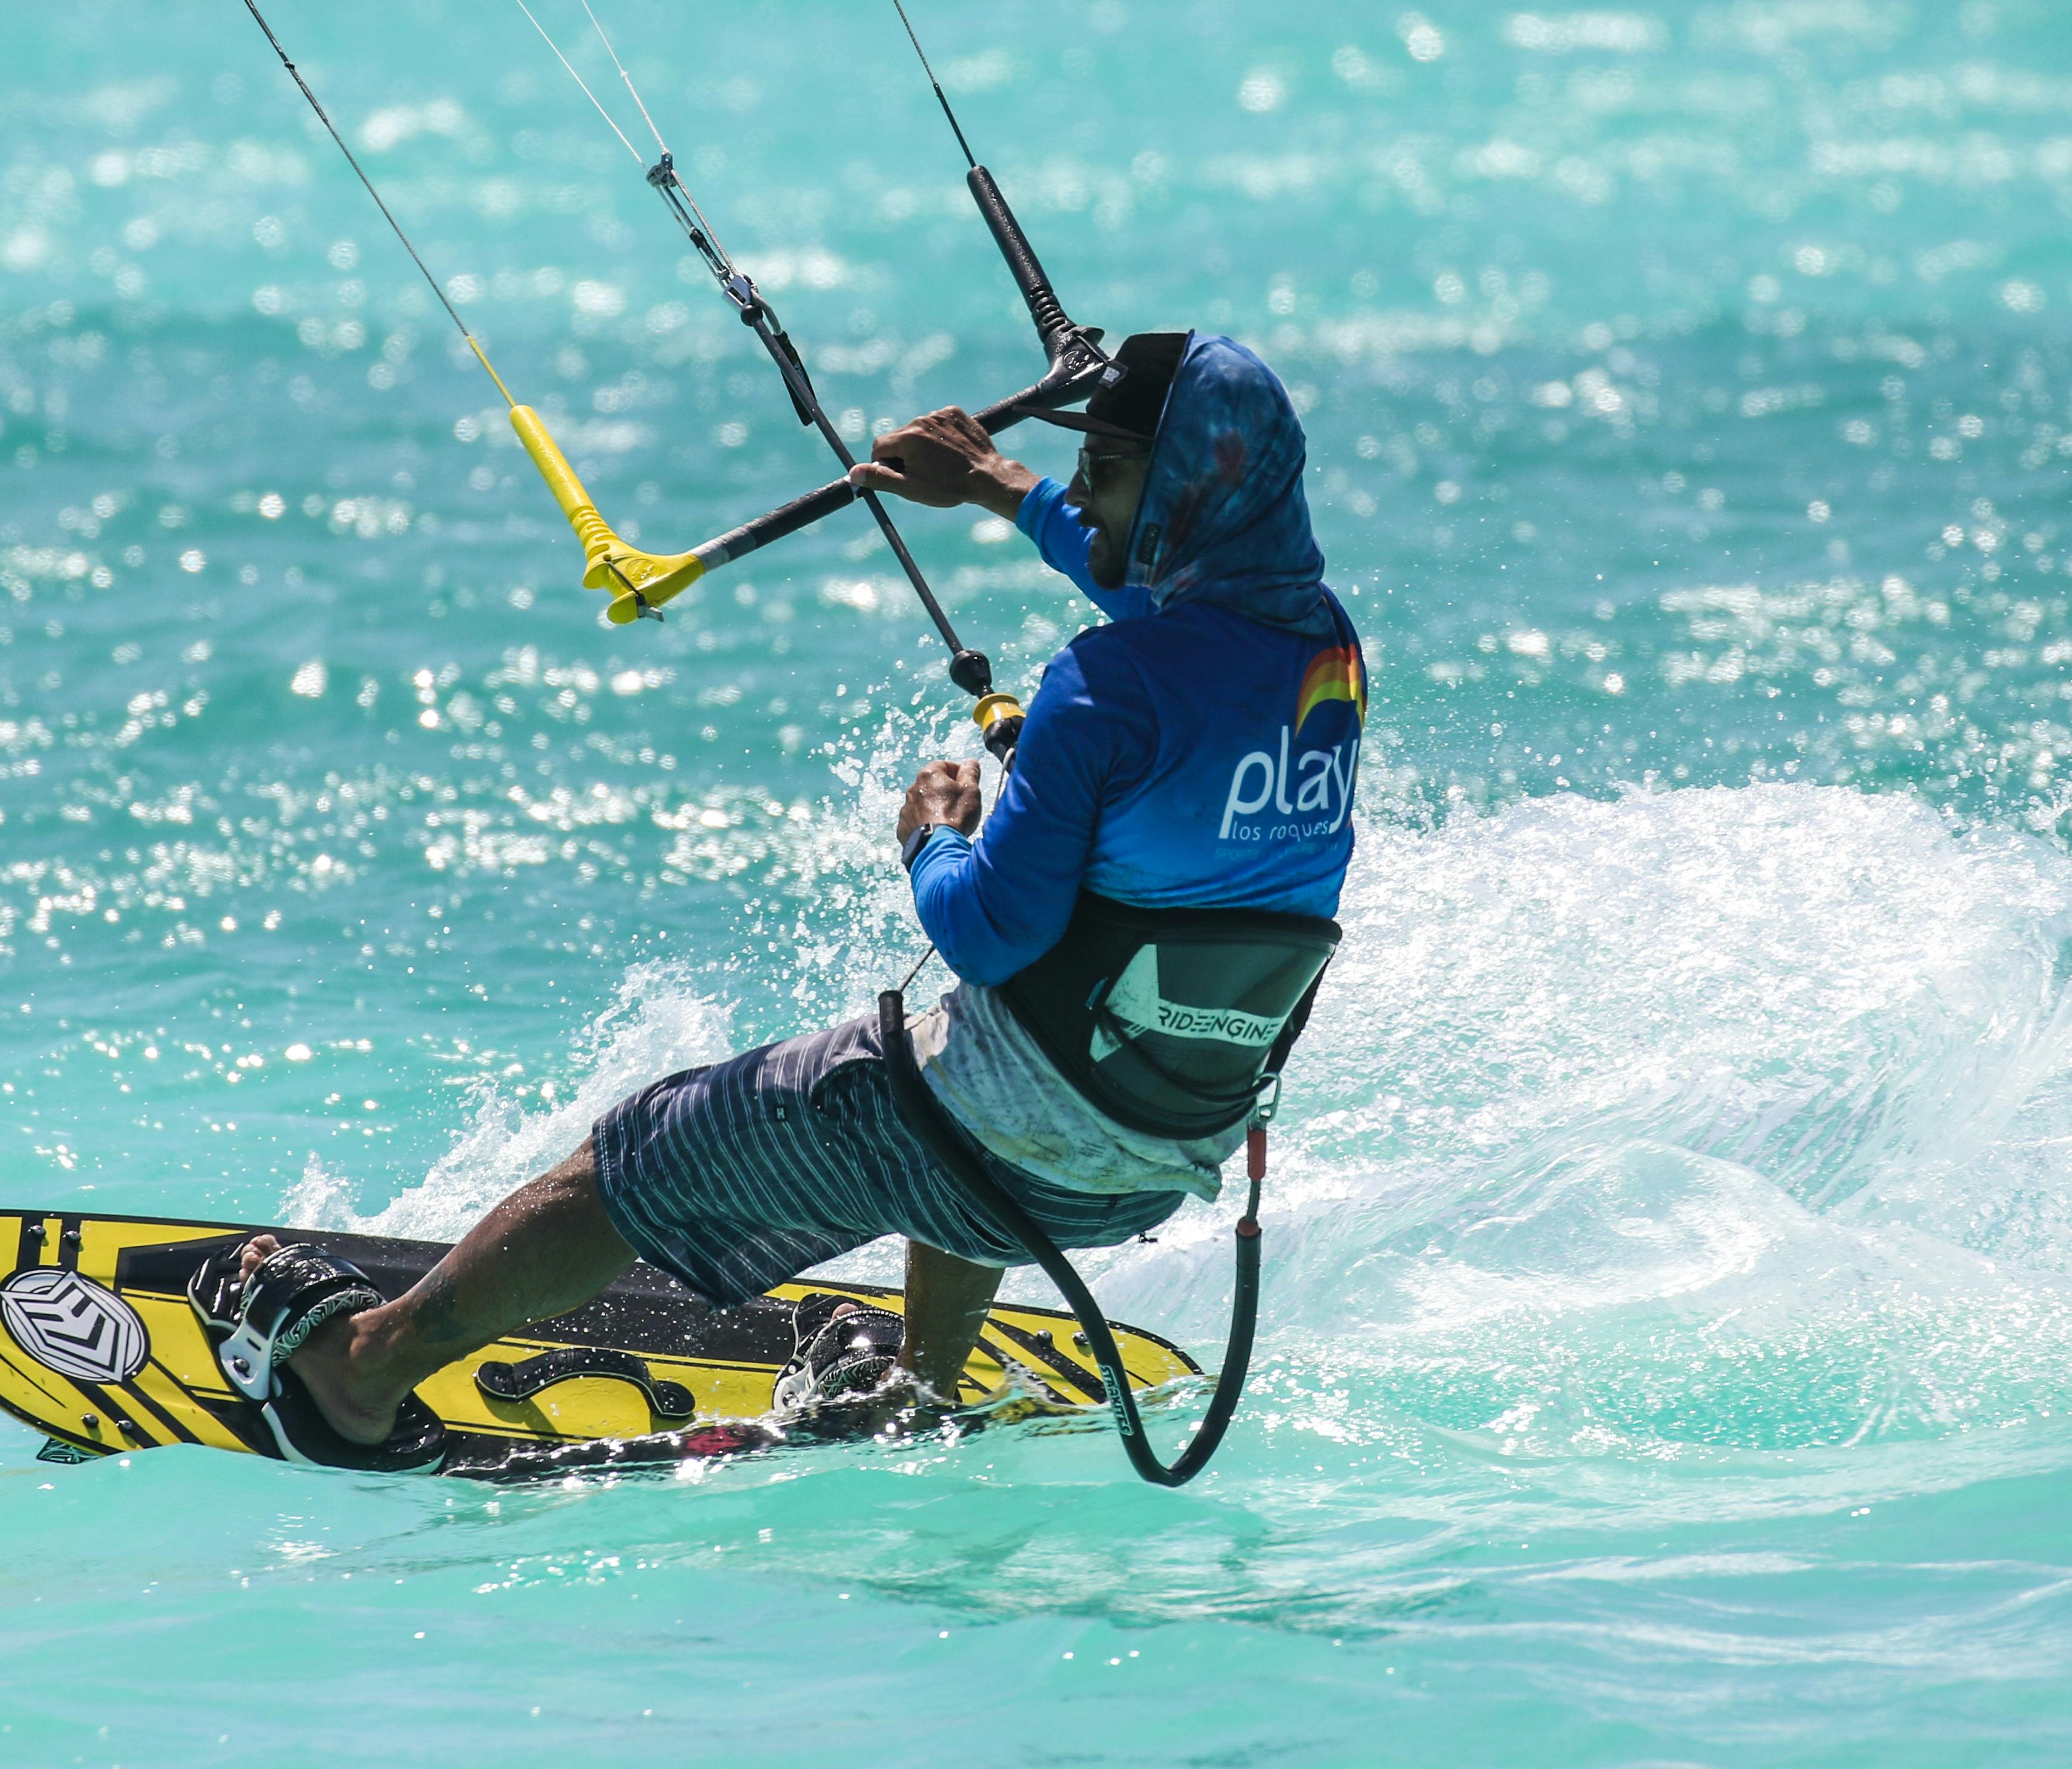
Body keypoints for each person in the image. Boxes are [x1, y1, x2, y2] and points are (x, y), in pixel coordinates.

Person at [193, 331, 1369, 1468]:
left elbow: (990, 932)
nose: (1080, 491)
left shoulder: (1105, 689)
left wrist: (935, 843)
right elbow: (1174, 623)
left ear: (1179, 497)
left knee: (646, 1152)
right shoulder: (1323, 654)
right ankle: (922, 1387)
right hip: (1159, 1156)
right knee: (976, 1056)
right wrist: (1005, 490)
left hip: (1007, 1142)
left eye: (1103, 474)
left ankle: (357, 1372)